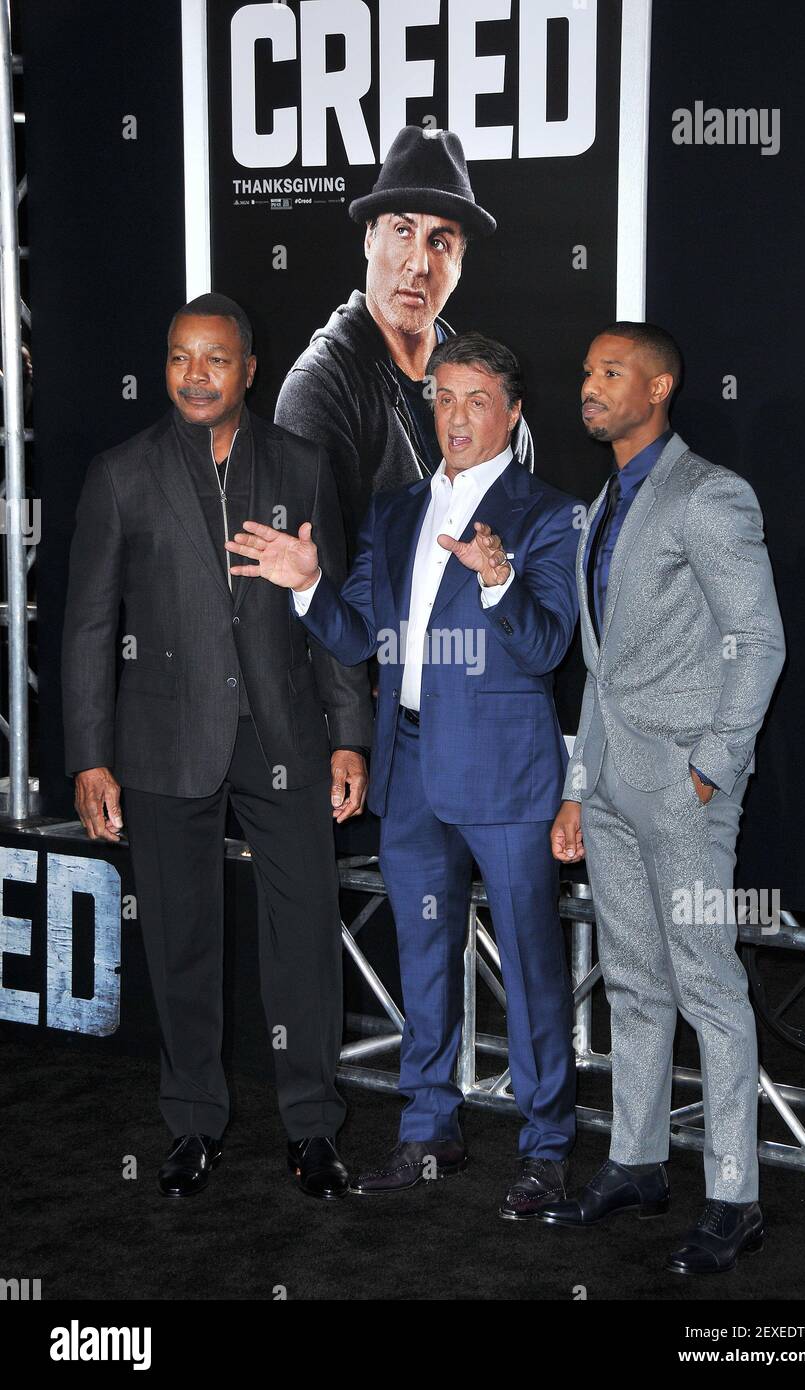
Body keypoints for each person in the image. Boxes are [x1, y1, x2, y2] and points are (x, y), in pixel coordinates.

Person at [228, 332, 582, 1220]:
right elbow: (357, 638)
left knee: (534, 969)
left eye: (473, 400)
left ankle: (546, 1149)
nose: (455, 417)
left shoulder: (547, 513)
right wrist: (307, 585)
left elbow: (546, 648)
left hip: (505, 776)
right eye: (442, 398)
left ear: (510, 414)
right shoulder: (392, 513)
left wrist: (498, 577)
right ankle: (429, 1132)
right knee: (422, 957)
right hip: (411, 767)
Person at [61, 293, 372, 1200]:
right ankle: (193, 1122)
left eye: (214, 359)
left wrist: (348, 735)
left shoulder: (305, 462)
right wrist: (89, 756)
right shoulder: (120, 473)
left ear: (249, 370)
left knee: (305, 938)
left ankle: (312, 1129)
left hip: (285, 734)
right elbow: (85, 627)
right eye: (178, 357)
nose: (194, 374)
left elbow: (331, 611)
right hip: (162, 741)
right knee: (181, 938)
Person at [539, 322, 785, 1274]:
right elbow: (598, 666)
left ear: (661, 386)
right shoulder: (604, 503)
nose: (590, 387)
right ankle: (637, 1162)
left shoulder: (708, 494)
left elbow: (756, 641)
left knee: (708, 989)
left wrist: (711, 766)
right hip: (607, 782)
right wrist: (576, 783)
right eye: (587, 371)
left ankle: (735, 1198)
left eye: (610, 373)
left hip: (684, 788)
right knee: (634, 983)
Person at [275, 125, 533, 554]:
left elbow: (519, 545)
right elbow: (320, 579)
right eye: (402, 230)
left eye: (438, 241)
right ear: (369, 238)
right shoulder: (319, 388)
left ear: (459, 263)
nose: (418, 264)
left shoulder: (488, 385)